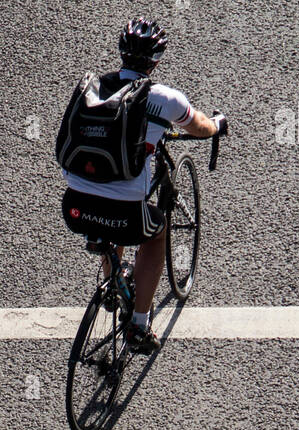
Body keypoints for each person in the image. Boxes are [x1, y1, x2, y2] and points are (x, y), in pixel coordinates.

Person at [61, 17, 227, 353]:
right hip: (125, 213)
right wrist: (218, 124)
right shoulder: (165, 99)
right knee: (155, 233)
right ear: (156, 60)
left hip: (74, 205)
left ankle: (112, 284)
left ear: (121, 51)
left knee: (108, 220)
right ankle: (139, 324)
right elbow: (201, 128)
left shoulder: (92, 87)